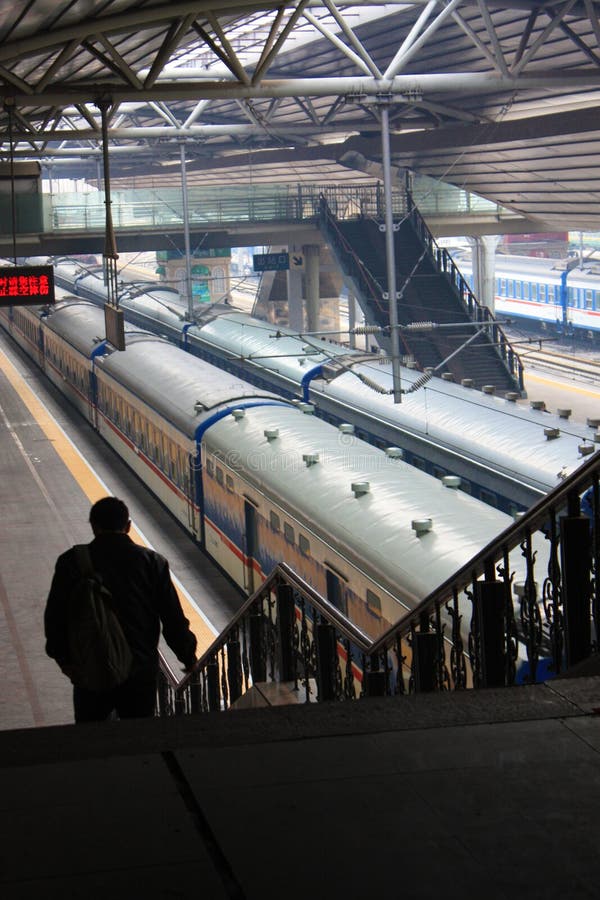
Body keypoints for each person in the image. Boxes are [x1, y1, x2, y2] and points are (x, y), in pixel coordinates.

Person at [44, 496, 197, 723]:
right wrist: (188, 657)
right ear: (128, 526)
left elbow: (54, 618)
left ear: (94, 526)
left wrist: (65, 661)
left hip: (90, 669)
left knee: (92, 736)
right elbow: (173, 619)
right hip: (139, 671)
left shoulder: (70, 562)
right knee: (138, 736)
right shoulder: (152, 562)